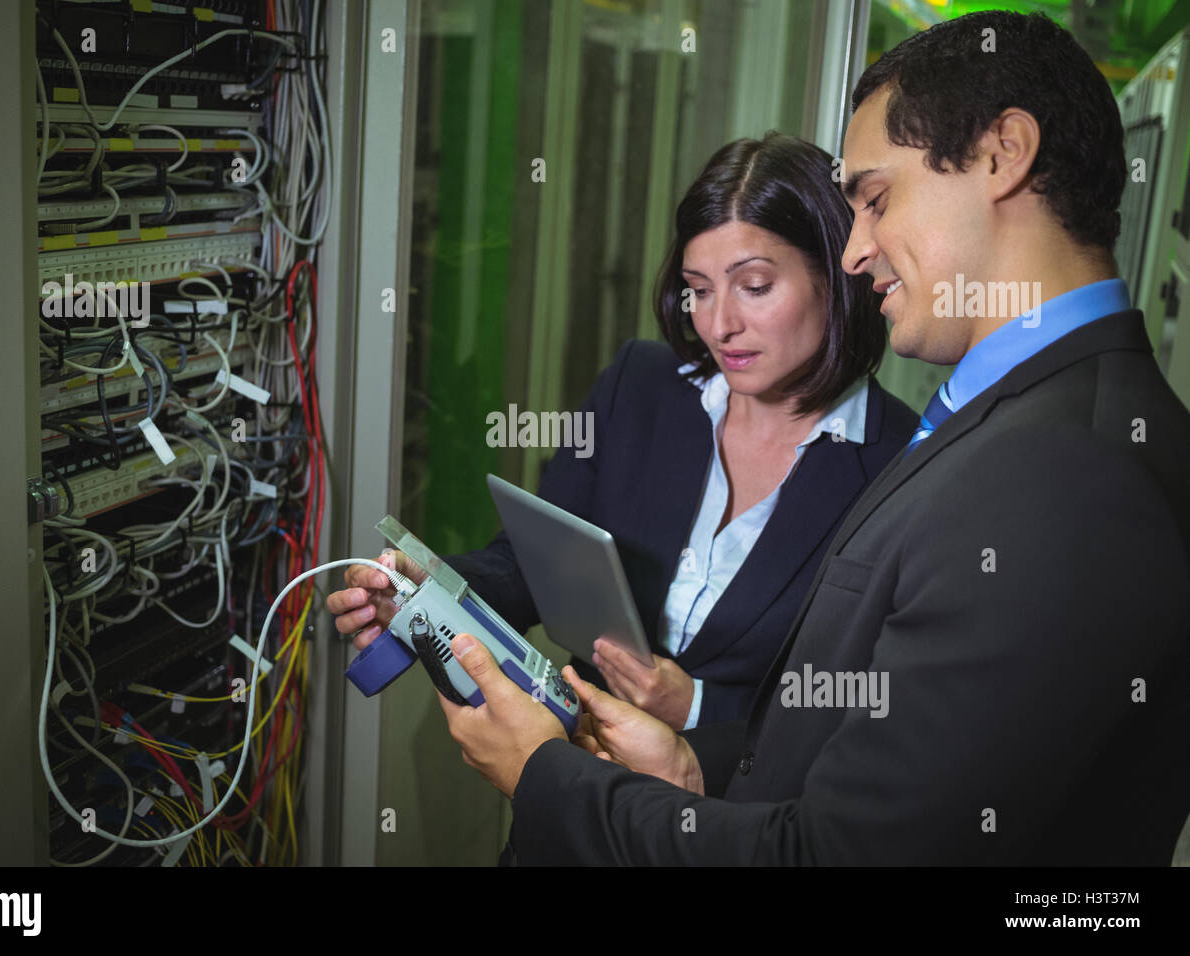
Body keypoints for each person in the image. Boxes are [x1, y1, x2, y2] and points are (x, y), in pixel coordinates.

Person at [432, 10, 1190, 864]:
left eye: (875, 198)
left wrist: (543, 774)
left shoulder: (1066, 475)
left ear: (1001, 153)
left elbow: (842, 852)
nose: (857, 250)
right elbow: (863, 761)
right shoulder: (1019, 421)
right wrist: (687, 768)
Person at [328, 133, 916, 731]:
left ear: (837, 273)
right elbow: (532, 567)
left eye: (756, 286)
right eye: (701, 290)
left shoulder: (903, 463)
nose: (719, 325)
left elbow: (870, 707)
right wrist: (435, 590)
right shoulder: (641, 387)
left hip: (739, 816)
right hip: (577, 782)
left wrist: (696, 709)